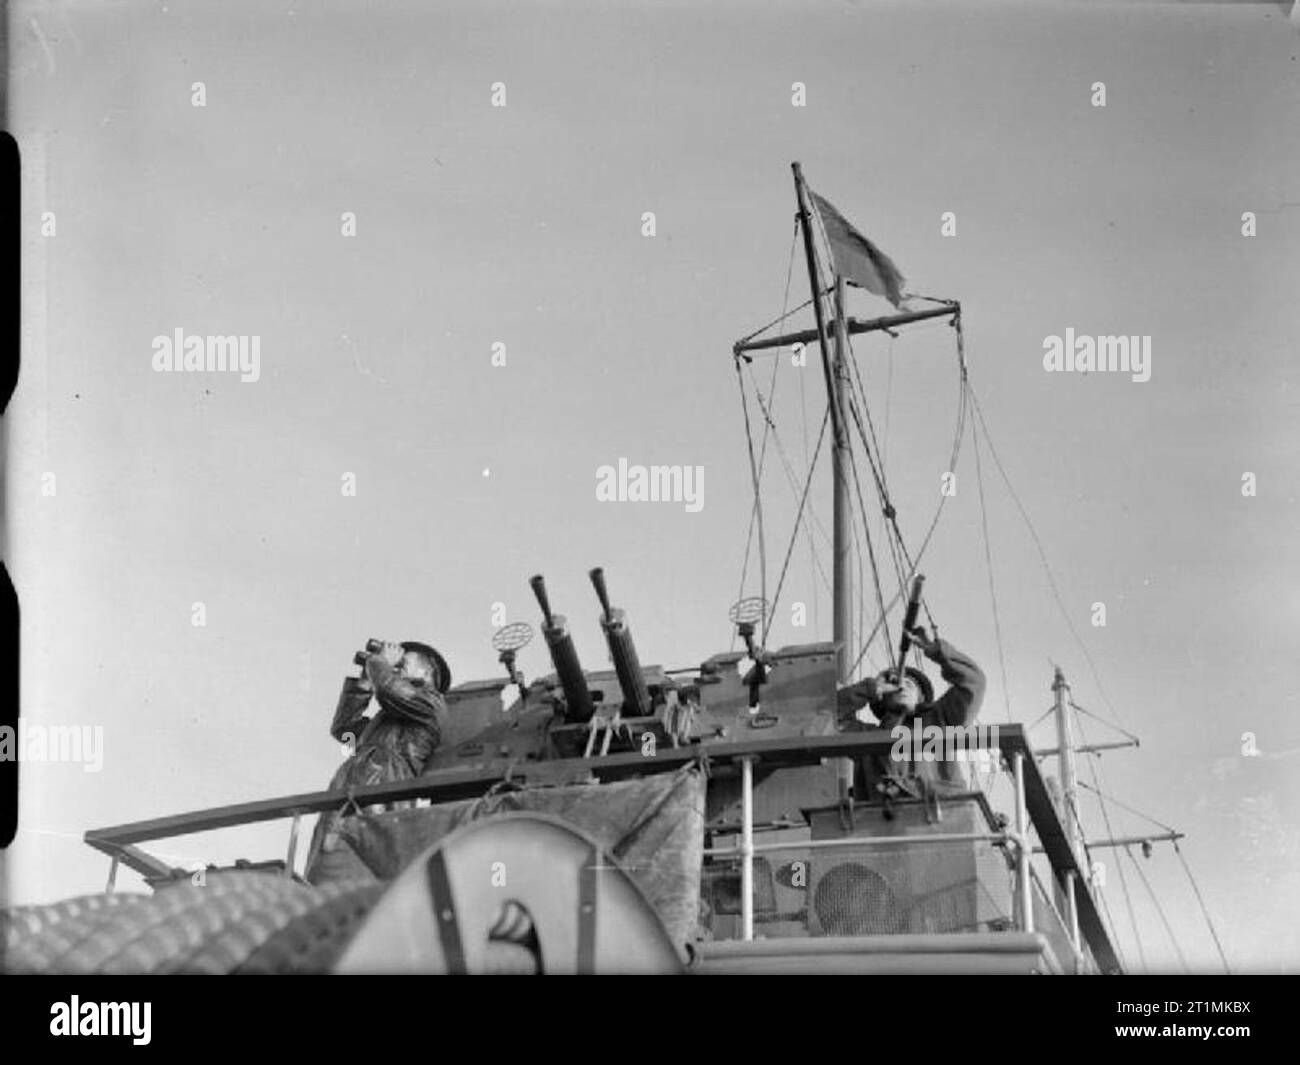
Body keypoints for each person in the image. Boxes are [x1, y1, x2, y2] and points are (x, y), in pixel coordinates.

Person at [305, 639, 451, 883]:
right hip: (348, 786)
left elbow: (387, 690)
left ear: (427, 672)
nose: (395, 666)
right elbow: (345, 729)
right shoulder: (383, 721)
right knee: (326, 865)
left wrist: (378, 663)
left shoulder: (430, 704)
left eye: (403, 663)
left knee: (367, 865)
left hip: (385, 787)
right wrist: (364, 680)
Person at [836, 625, 986, 802]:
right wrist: (870, 688)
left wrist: (938, 652)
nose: (902, 686)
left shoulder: (941, 720)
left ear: (921, 697)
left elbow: (973, 682)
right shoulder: (865, 737)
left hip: (943, 818)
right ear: (881, 697)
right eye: (894, 684)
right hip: (882, 824)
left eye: (910, 684)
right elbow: (830, 717)